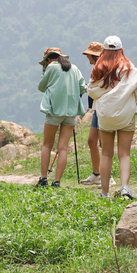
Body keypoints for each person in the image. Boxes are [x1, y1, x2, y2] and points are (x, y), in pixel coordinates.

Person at [87, 35, 137, 200]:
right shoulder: (129, 67)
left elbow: (92, 91)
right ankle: (125, 188)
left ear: (104, 50)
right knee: (124, 153)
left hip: (105, 115)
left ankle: (104, 193)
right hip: (125, 113)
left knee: (106, 154)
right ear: (121, 50)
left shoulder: (99, 67)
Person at [36, 47, 86, 188]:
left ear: (48, 59)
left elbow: (41, 87)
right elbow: (83, 88)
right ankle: (57, 181)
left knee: (47, 144)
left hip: (54, 111)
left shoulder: (51, 67)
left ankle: (43, 179)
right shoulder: (74, 68)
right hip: (70, 113)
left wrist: (44, 70)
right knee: (62, 148)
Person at [78, 42, 111, 189]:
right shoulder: (97, 69)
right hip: (97, 109)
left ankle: (108, 176)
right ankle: (97, 174)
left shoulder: (101, 69)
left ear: (94, 55)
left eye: (89, 55)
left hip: (103, 108)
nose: (87, 58)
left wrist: (87, 89)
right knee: (92, 140)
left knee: (103, 143)